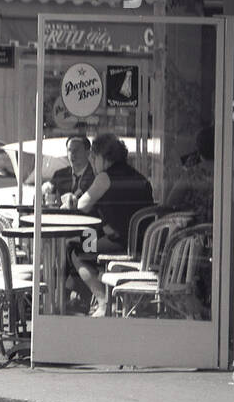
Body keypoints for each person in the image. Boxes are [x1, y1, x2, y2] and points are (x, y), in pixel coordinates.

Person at [69, 131, 156, 316]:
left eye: (94, 157)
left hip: (121, 242)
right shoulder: (140, 177)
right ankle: (83, 296)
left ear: (103, 157)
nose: (92, 161)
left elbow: (82, 205)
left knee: (75, 249)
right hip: (144, 244)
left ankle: (101, 301)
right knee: (87, 238)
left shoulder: (104, 178)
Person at [163, 125, 214, 225]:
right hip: (224, 231)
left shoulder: (191, 174)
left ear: (198, 149)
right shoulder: (228, 174)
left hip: (195, 232)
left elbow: (170, 204)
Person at [43, 134, 96, 206]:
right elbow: (47, 193)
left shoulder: (95, 176)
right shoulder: (59, 175)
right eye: (69, 150)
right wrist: (45, 191)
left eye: (76, 150)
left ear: (87, 153)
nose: (72, 154)